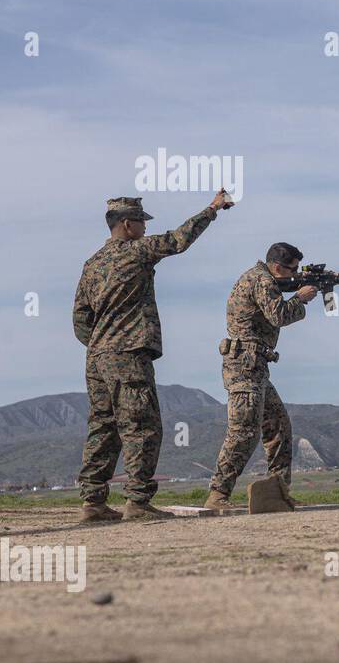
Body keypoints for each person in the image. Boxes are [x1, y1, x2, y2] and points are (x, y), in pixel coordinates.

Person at [74, 192, 233, 521]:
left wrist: (101, 344)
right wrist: (213, 209)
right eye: (142, 223)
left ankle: (93, 501)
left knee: (103, 428)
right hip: (129, 355)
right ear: (127, 225)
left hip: (96, 360)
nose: (146, 228)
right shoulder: (136, 252)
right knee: (142, 427)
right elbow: (179, 240)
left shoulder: (92, 264)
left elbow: (80, 318)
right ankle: (138, 502)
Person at [203, 243, 318, 513]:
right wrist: (300, 299)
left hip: (255, 365)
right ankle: (218, 493)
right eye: (292, 269)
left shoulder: (262, 278)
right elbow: (278, 316)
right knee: (243, 430)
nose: (295, 274)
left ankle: (278, 493)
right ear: (278, 267)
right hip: (245, 364)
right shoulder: (263, 281)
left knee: (278, 425)